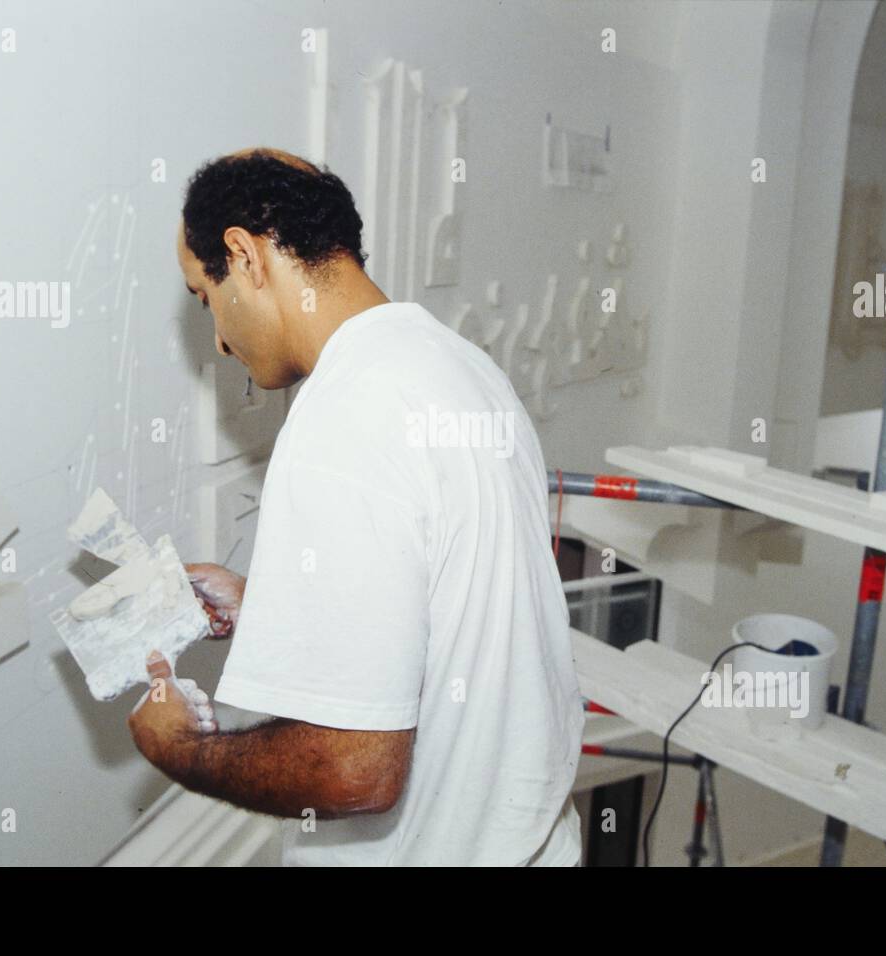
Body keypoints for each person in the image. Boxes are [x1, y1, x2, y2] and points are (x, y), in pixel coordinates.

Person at [127, 147, 584, 865]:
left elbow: (354, 771)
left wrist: (182, 748)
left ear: (244, 256)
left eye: (203, 297)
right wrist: (276, 608)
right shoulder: (458, 367)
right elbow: (445, 600)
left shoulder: (340, 421)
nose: (216, 336)